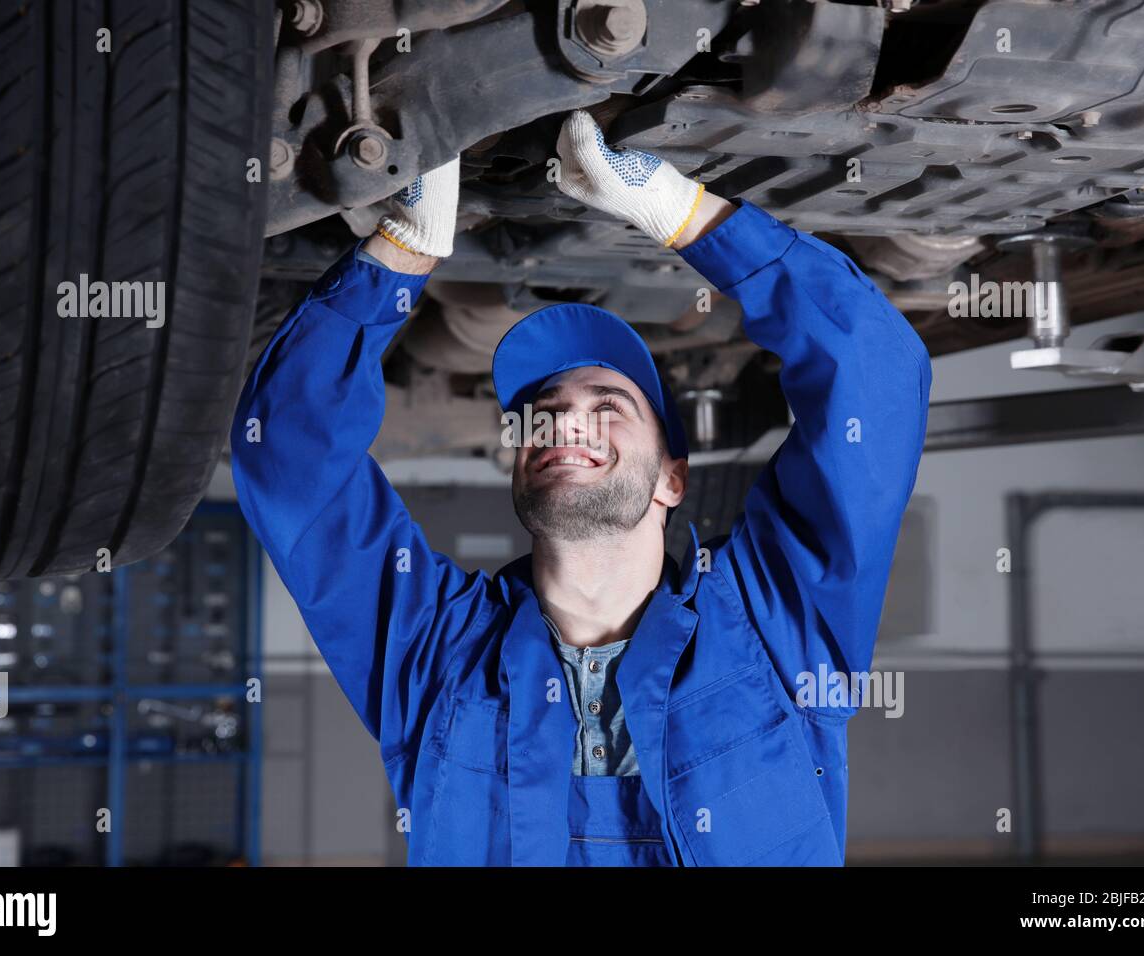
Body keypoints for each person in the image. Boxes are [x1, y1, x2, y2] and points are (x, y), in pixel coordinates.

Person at [231, 110, 932, 866]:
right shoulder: (435, 653)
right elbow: (294, 459)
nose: (566, 425)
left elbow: (875, 382)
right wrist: (405, 252)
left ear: (672, 478)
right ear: (519, 464)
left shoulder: (772, 624)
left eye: (608, 409)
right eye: (547, 415)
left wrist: (686, 214)